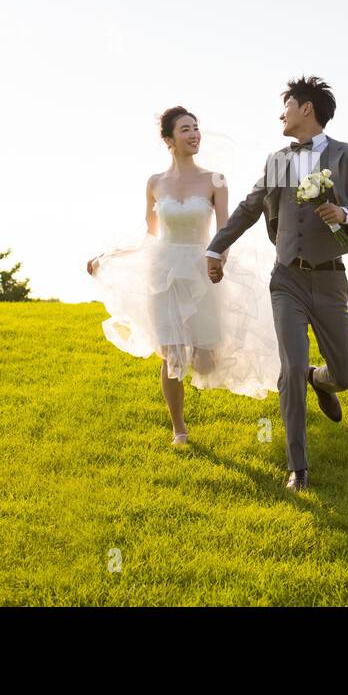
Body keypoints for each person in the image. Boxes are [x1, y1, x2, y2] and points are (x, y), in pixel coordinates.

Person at [205, 76, 348, 492]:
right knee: (290, 367)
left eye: (287, 105)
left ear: (306, 108)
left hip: (330, 281)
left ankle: (320, 380)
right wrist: (214, 249)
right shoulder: (279, 160)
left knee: (344, 375)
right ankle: (299, 467)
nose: (282, 114)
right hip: (286, 280)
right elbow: (249, 206)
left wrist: (346, 215)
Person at [87, 106, 279, 446]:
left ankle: (207, 356)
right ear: (169, 139)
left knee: (204, 363)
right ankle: (179, 429)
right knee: (172, 355)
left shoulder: (215, 180)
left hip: (201, 270)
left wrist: (218, 258)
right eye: (186, 130)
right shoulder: (154, 183)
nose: (194, 135)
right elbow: (149, 232)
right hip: (162, 273)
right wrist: (109, 256)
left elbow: (226, 230)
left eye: (196, 128)